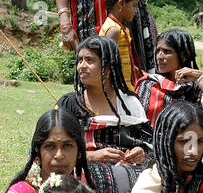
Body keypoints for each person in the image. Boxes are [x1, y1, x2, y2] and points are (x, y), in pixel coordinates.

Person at [57, 35, 151, 164]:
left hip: (127, 175)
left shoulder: (129, 103)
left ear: (108, 67)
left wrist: (141, 152)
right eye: (79, 60)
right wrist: (91, 156)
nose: (82, 66)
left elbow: (149, 145)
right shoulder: (70, 104)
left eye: (89, 60)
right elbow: (51, 148)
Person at [136, 28, 203, 126]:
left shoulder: (197, 88)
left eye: (167, 52)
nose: (159, 57)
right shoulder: (149, 86)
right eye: (158, 51)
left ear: (184, 55)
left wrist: (200, 75)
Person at [100, 0, 144, 89]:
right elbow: (108, 62)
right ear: (121, 4)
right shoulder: (113, 30)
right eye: (134, 5)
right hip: (118, 89)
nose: (136, 10)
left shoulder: (120, 27)